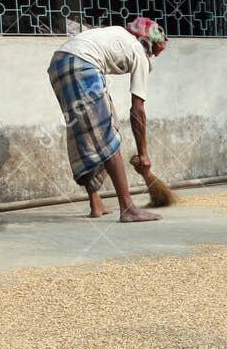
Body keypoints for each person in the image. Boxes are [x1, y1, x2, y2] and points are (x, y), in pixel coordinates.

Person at [48, 17, 167, 222]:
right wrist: (144, 155)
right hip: (83, 64)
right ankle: (128, 208)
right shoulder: (139, 52)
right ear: (148, 43)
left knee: (86, 134)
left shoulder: (118, 34)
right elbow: (137, 110)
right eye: (154, 52)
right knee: (106, 133)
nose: (152, 57)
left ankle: (96, 203)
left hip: (59, 63)